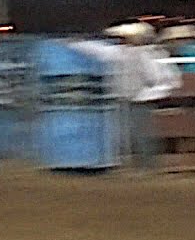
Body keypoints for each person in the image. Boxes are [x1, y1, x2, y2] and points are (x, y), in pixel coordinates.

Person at [69, 21, 181, 169]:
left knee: (140, 134)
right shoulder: (127, 53)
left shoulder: (144, 55)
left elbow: (162, 79)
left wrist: (148, 93)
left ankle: (146, 165)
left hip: (140, 100)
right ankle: (141, 164)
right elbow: (97, 50)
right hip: (129, 98)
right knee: (133, 133)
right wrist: (75, 44)